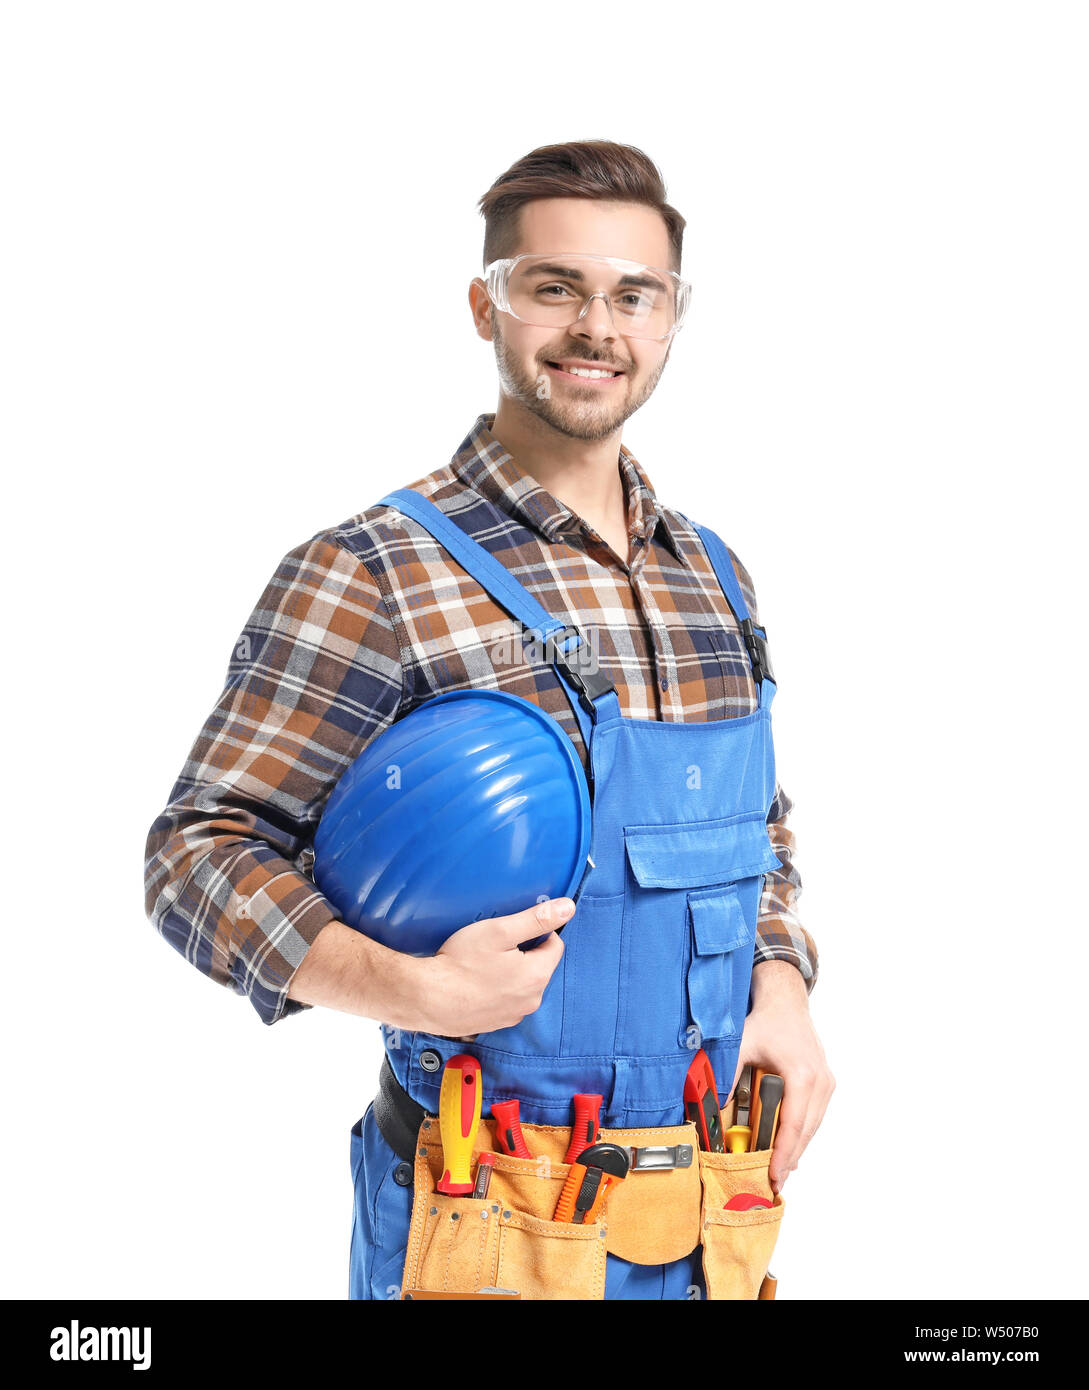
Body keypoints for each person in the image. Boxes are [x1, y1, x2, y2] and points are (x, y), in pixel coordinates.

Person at [144, 139, 834, 1301]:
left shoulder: (714, 575)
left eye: (634, 294)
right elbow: (196, 855)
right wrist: (407, 989)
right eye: (553, 286)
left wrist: (783, 985)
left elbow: (757, 832)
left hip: (714, 1204)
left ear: (671, 319)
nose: (595, 327)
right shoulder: (372, 569)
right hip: (485, 1216)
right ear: (487, 305)